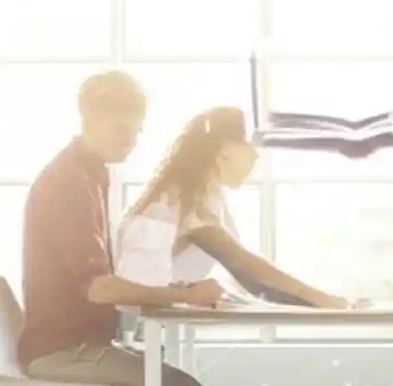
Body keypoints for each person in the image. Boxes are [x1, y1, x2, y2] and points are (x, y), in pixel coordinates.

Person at [18, 70, 220, 386]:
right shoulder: (68, 184)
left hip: (77, 341)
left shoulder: (89, 174)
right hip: (64, 349)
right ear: (89, 120)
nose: (131, 141)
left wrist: (170, 288)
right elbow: (97, 289)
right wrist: (185, 295)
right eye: (121, 130)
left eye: (137, 130)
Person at [116, 106, 350, 309]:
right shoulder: (184, 199)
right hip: (137, 332)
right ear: (225, 149)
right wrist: (323, 300)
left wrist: (320, 301)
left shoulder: (206, 195)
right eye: (251, 149)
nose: (256, 159)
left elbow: (251, 280)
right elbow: (243, 265)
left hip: (153, 328)